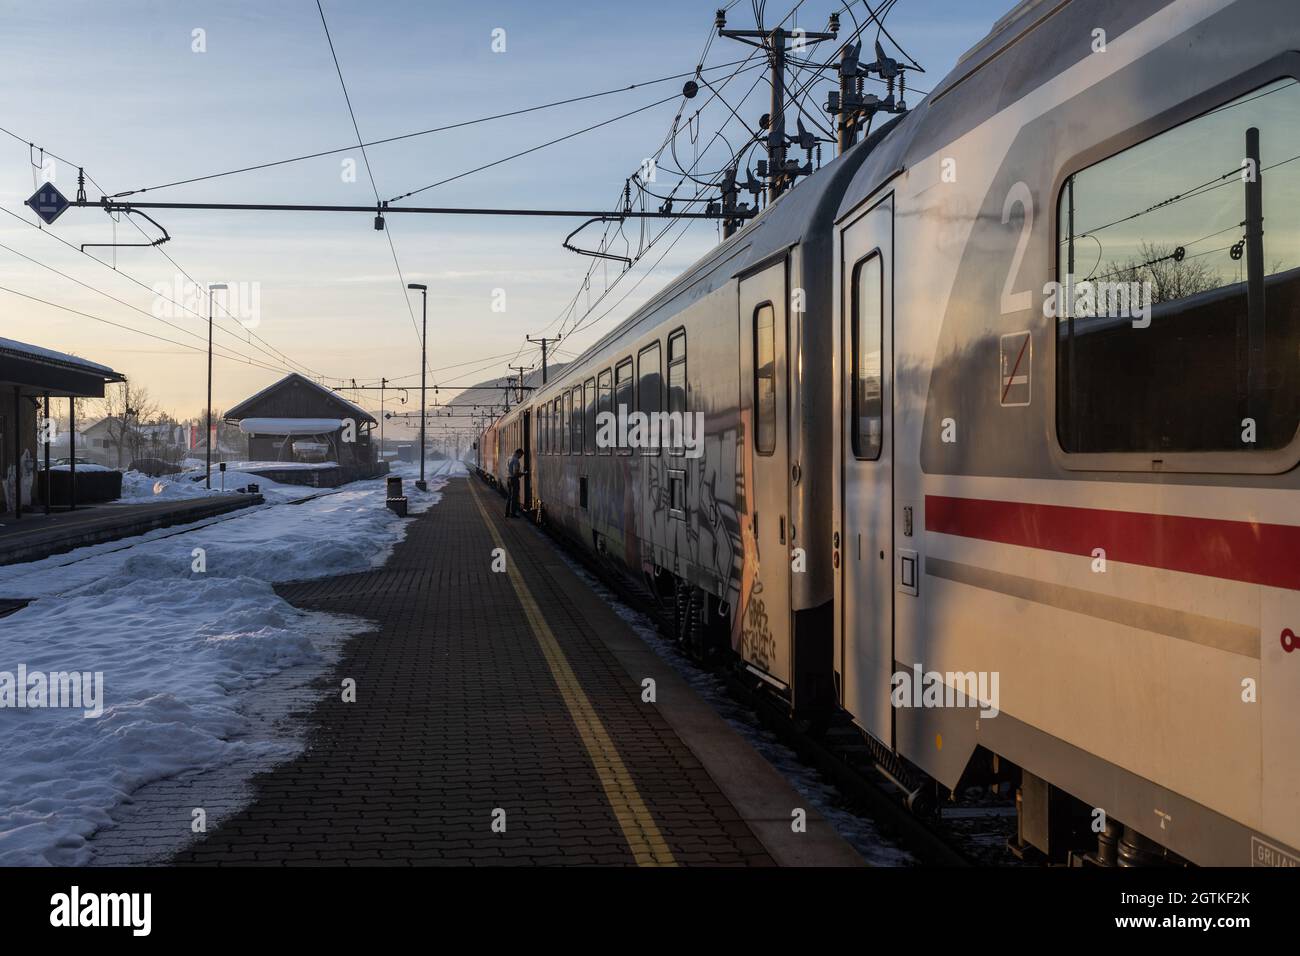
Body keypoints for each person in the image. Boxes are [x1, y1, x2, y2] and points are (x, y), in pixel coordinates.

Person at [505, 447, 524, 518]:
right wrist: (522, 474)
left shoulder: (509, 458)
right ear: (518, 453)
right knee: (514, 497)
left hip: (508, 478)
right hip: (514, 479)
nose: (520, 457)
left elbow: (508, 469)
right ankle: (512, 513)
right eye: (521, 455)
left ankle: (506, 513)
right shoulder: (516, 460)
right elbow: (515, 472)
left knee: (509, 496)